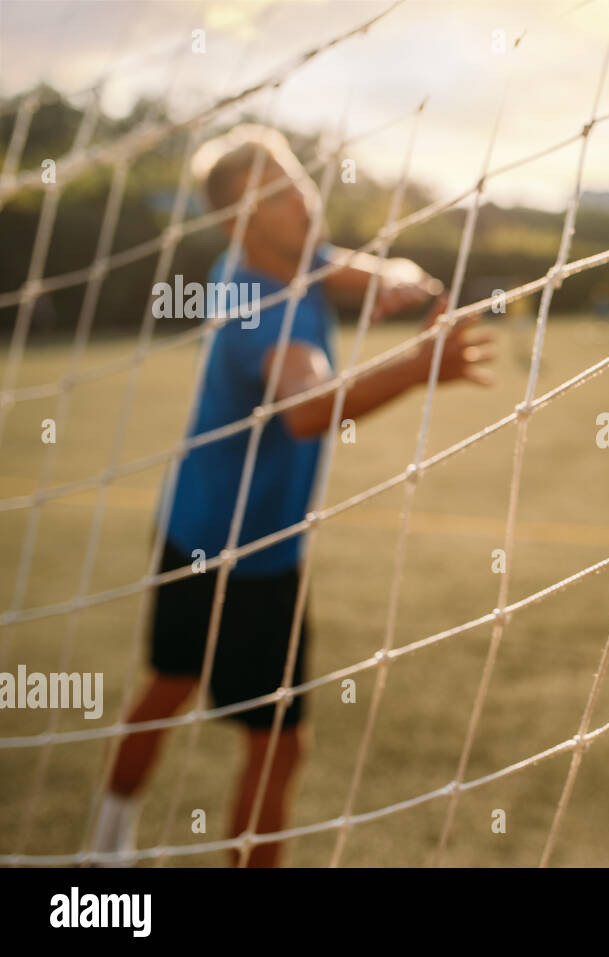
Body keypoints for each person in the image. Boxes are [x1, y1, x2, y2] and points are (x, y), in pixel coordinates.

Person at [90, 125, 495, 866]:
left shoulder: (288, 256)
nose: (300, 198)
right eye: (272, 194)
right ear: (240, 224)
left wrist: (400, 274)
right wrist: (418, 366)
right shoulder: (258, 308)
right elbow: (307, 409)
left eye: (294, 180)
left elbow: (354, 268)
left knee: (171, 684)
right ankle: (109, 843)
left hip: (198, 523)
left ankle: (106, 838)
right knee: (274, 740)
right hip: (241, 550)